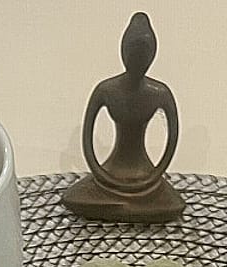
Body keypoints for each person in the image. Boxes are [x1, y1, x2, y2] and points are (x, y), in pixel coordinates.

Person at [62, 13, 185, 222]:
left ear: (152, 56)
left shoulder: (160, 93)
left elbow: (171, 143)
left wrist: (154, 176)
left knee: (173, 204)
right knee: (75, 197)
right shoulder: (106, 90)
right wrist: (100, 174)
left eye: (143, 56)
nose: (137, 62)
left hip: (146, 179)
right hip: (108, 177)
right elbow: (87, 143)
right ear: (123, 52)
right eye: (133, 54)